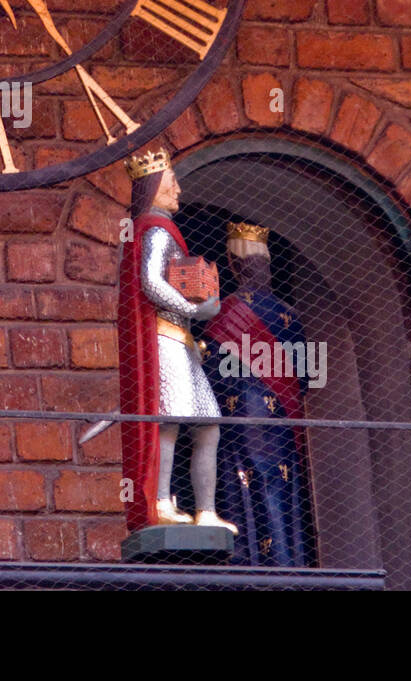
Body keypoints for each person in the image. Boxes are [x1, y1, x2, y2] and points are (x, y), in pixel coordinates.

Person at [117, 148, 237, 532]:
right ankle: (162, 501)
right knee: (168, 422)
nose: (179, 190)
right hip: (166, 339)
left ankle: (205, 511)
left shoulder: (162, 230)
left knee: (208, 424)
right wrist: (191, 308)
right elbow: (151, 282)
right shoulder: (154, 230)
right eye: (171, 183)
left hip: (180, 341)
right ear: (152, 188)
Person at [205, 222, 311, 566]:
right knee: (283, 488)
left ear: (233, 265)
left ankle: (251, 565)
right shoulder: (291, 315)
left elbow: (209, 374)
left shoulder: (222, 313)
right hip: (282, 418)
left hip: (241, 416)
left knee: (244, 486)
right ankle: (287, 563)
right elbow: (309, 377)